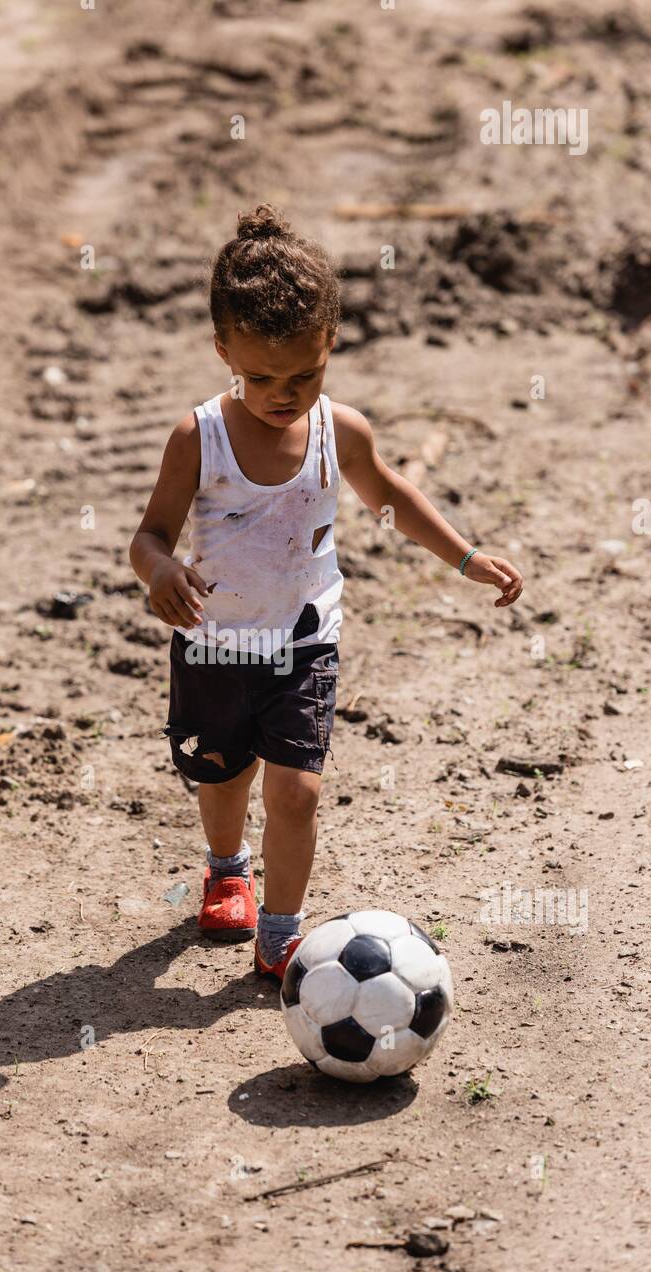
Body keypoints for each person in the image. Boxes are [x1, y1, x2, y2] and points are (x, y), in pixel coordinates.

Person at [129, 204, 523, 981]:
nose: (284, 393)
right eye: (261, 377)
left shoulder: (337, 430)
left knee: (297, 790)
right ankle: (224, 866)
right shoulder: (197, 438)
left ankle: (280, 932)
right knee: (220, 774)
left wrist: (463, 555)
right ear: (222, 352)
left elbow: (391, 496)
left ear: (330, 345)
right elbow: (148, 537)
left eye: (304, 374)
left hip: (303, 638)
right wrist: (162, 573)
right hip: (215, 640)